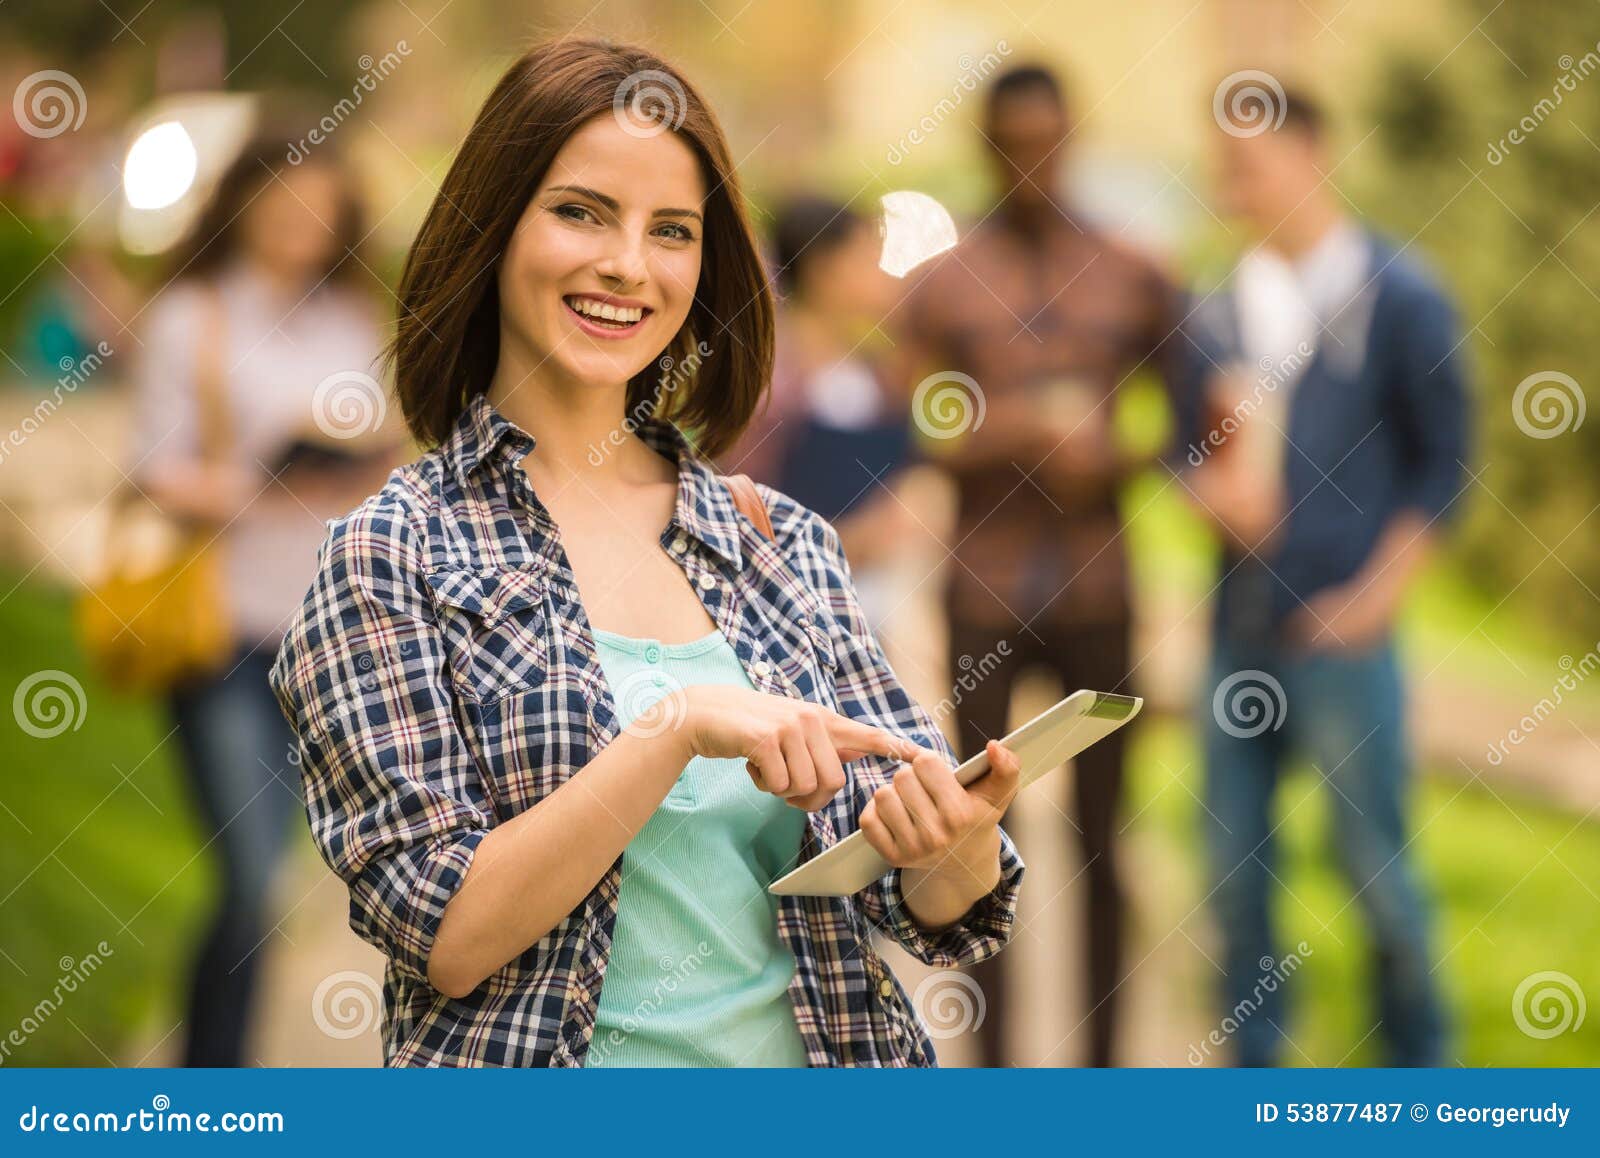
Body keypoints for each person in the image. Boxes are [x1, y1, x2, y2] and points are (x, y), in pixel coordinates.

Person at [269, 38, 1026, 1069]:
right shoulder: (389, 557)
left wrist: (954, 844)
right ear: (491, 228)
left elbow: (924, 902)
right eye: (581, 211)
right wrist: (669, 731)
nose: (628, 264)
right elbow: (445, 935)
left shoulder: (775, 541)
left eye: (670, 230)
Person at [897, 63, 1183, 1067]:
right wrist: (1011, 428)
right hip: (981, 586)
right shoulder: (943, 282)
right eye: (1012, 142)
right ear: (984, 145)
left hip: (1099, 586)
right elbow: (917, 422)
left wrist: (1121, 456)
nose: (1032, 163)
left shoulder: (1133, 270)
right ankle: (997, 1077)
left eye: (1049, 140)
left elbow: (1200, 411)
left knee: (1107, 844)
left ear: (1074, 138)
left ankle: (1101, 1072)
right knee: (978, 839)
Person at [1180, 88, 1466, 1066]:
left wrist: (1373, 602)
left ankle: (1420, 1081)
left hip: (1347, 635)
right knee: (1230, 873)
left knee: (1376, 873)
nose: (1231, 186)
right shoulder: (1217, 305)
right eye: (1222, 166)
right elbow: (1185, 454)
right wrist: (1208, 493)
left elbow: (1444, 466)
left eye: (1247, 165)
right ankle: (1255, 1084)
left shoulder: (1401, 294)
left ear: (1311, 154)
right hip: (1237, 634)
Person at [130, 134, 391, 1065]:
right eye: (284, 210)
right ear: (242, 204)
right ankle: (208, 1084)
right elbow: (153, 471)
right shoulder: (191, 317)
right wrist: (267, 483)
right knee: (246, 877)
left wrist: (357, 469)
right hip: (220, 631)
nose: (301, 232)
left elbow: (386, 458)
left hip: (324, 640)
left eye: (321, 215)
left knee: (274, 881)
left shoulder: (353, 322)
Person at [724, 195, 916, 631]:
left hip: (881, 602)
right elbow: (744, 506)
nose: (883, 275)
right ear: (823, 268)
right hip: (792, 609)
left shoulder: (878, 372)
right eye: (867, 258)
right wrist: (850, 540)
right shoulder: (769, 382)